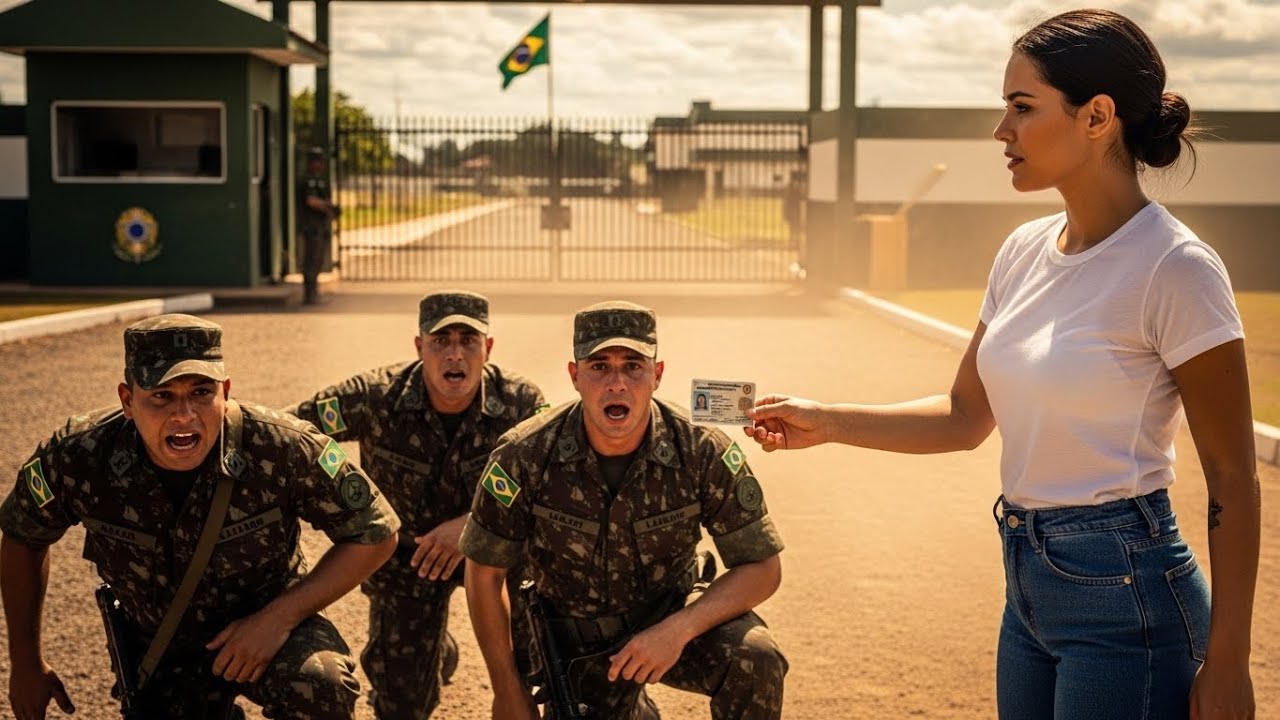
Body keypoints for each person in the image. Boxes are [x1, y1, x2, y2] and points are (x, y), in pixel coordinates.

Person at [745, 10, 1259, 720]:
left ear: (1097, 117)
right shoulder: (1022, 251)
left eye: (1023, 108)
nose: (1001, 131)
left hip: (1128, 592)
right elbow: (965, 417)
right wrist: (825, 421)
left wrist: (1228, 661)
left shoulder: (1176, 268)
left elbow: (1234, 471)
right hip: (1027, 587)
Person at [0, 313, 400, 719]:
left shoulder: (279, 446)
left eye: (201, 392)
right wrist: (26, 662)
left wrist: (278, 619)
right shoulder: (80, 456)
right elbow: (22, 536)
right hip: (162, 647)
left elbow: (376, 532)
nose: (185, 415)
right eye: (162, 396)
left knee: (321, 687)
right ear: (127, 400)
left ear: (225, 391)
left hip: (271, 626)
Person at [461, 300, 787, 720]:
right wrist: (507, 690)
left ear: (657, 374)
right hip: (573, 643)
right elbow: (484, 574)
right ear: (575, 376)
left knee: (756, 658)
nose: (617, 383)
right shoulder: (524, 454)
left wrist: (677, 630)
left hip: (669, 616)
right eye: (599, 367)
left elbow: (762, 566)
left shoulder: (701, 449)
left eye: (633, 365)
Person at [285, 290, 547, 720]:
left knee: (533, 667)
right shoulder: (375, 396)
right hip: (408, 558)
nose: (455, 354)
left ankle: (456, 651)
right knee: (401, 702)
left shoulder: (521, 404)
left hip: (498, 550)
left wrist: (470, 527)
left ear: (489, 348)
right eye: (441, 341)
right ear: (419, 347)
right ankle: (434, 649)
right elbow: (288, 435)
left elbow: (552, 481)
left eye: (468, 340)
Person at [299, 146, 339, 305]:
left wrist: (330, 209)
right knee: (310, 259)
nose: (320, 165)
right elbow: (310, 201)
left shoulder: (321, 180)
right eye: (318, 161)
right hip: (311, 227)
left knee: (318, 260)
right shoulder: (306, 179)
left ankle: (314, 291)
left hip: (321, 227)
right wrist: (326, 206)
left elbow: (325, 202)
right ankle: (308, 293)